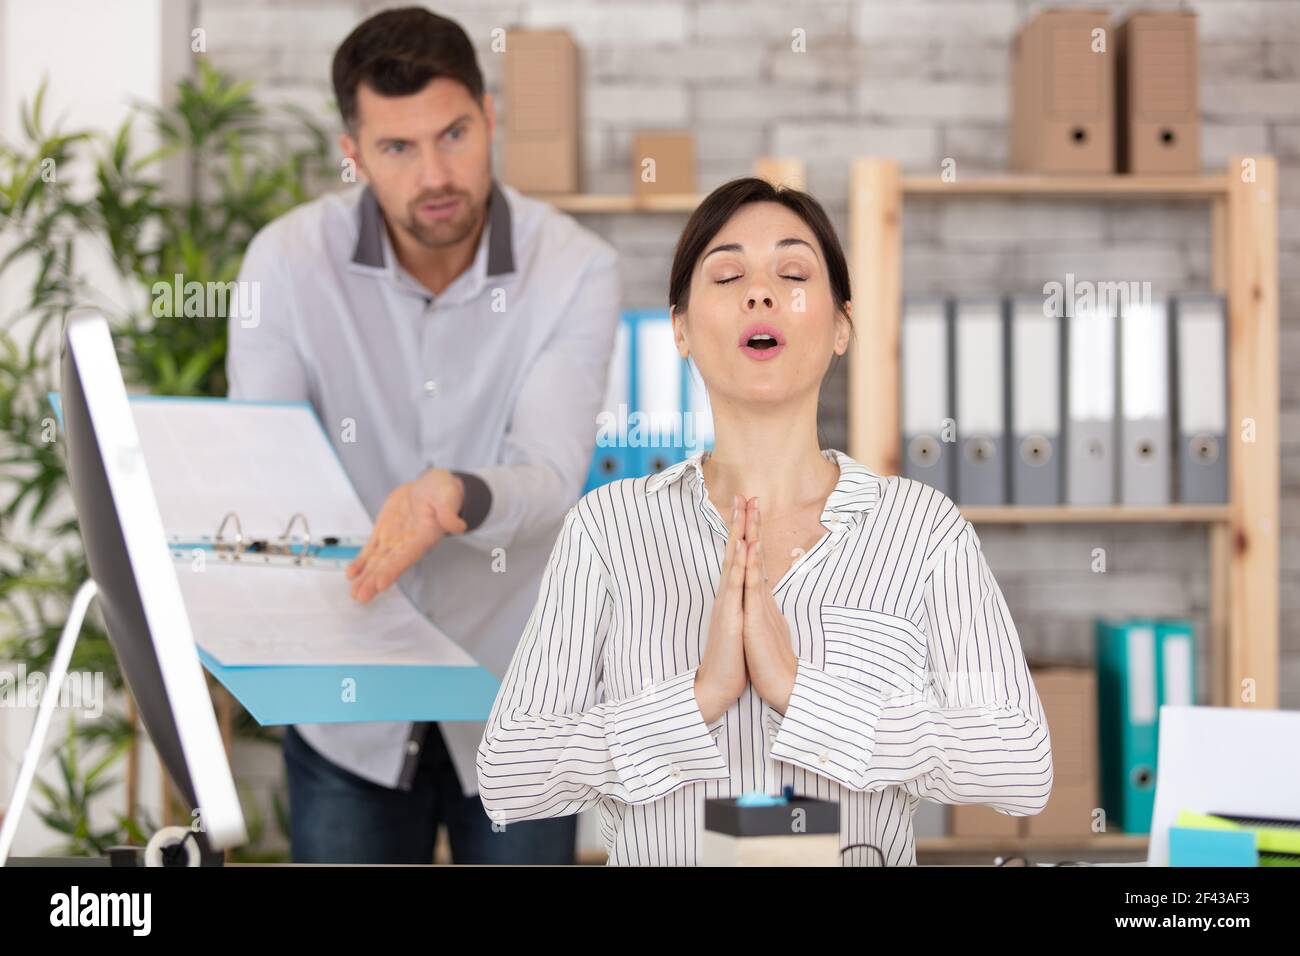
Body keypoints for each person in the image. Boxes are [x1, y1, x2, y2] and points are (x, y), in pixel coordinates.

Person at [476, 177, 1054, 865]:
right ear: (682, 330)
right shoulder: (608, 528)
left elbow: (1022, 764)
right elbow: (508, 773)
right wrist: (698, 699)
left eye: (792, 272)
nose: (759, 292)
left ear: (841, 326)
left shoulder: (923, 530)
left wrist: (804, 695)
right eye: (726, 274)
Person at [227, 7, 620, 863]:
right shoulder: (286, 266)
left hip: (516, 699)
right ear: (353, 152)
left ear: (489, 114)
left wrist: (454, 496)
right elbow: (265, 469)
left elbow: (551, 474)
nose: (436, 173)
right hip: (348, 700)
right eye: (398, 148)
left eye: (455, 134)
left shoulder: (574, 267)